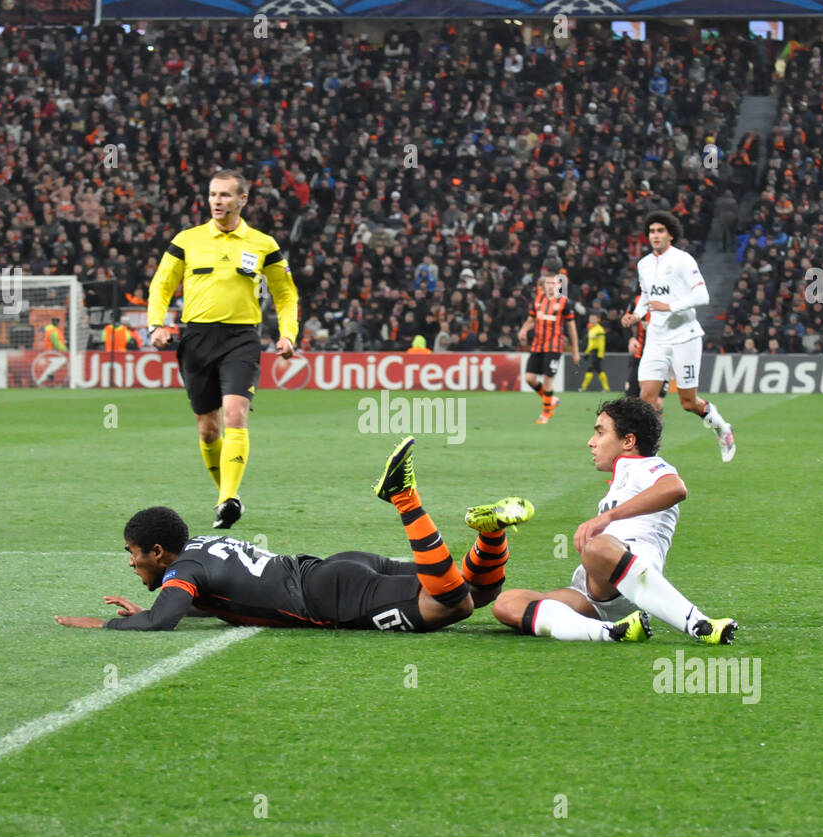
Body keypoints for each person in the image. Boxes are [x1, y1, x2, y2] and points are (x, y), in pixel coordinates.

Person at [54, 437, 535, 633]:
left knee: (456, 603)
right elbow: (202, 599)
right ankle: (490, 536)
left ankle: (404, 497)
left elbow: (163, 623)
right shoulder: (200, 547)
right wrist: (158, 604)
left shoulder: (184, 570)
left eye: (133, 555)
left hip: (330, 593)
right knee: (480, 589)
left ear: (159, 552)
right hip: (333, 569)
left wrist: (103, 625)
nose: (131, 564)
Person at [492, 396, 737, 645]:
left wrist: (606, 518)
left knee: (597, 547)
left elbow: (675, 489)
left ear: (628, 441)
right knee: (507, 603)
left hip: (629, 584)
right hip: (593, 593)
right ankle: (612, 632)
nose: (591, 442)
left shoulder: (647, 466)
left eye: (600, 433)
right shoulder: (621, 479)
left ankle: (698, 624)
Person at [147, 169, 301, 530]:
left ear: (242, 200)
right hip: (196, 339)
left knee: (235, 413)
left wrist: (288, 333)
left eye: (226, 195)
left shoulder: (263, 244)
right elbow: (161, 285)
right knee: (208, 431)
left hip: (241, 339)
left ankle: (228, 498)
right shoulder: (187, 240)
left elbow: (285, 294)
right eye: (213, 194)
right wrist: (156, 324)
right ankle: (227, 499)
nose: (217, 201)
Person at [622, 211, 734, 462]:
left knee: (688, 401)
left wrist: (671, 307)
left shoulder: (683, 260)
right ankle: (649, 459)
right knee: (645, 399)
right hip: (656, 339)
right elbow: (646, 298)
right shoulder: (644, 264)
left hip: (685, 337)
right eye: (652, 231)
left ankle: (722, 428)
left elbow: (702, 296)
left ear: (671, 234)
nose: (655, 235)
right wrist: (636, 315)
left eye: (661, 231)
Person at [517, 270, 579, 424]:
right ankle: (551, 399)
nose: (550, 286)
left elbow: (572, 328)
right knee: (529, 378)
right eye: (548, 283)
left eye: (553, 283)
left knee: (547, 379)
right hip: (538, 345)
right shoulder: (538, 300)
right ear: (544, 285)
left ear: (558, 285)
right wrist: (524, 330)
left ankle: (546, 413)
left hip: (554, 346)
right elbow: (531, 319)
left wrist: (575, 351)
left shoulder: (564, 302)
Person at [578, 313, 609, 392]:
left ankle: (584, 387)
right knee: (597, 369)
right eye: (590, 318)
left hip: (597, 352)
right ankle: (605, 388)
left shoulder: (599, 329)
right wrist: (587, 352)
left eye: (594, 318)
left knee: (592, 368)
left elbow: (601, 343)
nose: (592, 320)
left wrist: (600, 354)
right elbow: (591, 343)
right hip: (592, 352)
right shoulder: (591, 329)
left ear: (597, 319)